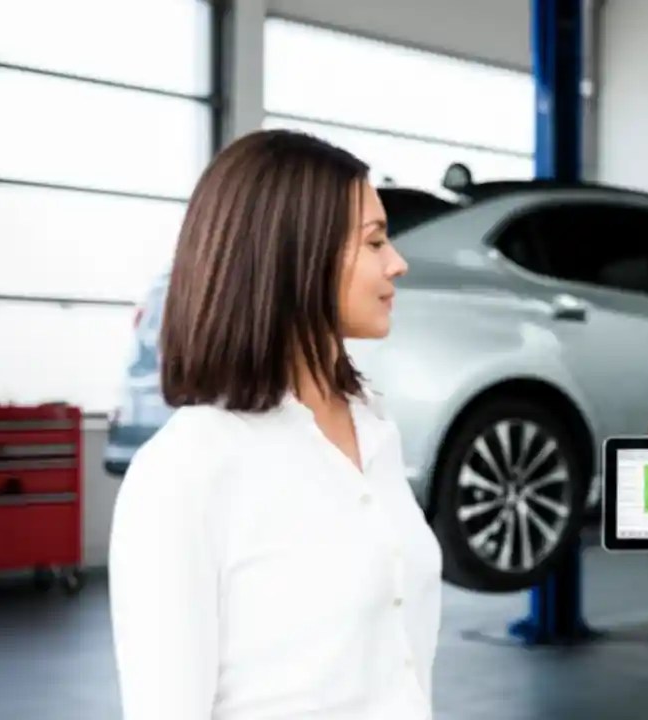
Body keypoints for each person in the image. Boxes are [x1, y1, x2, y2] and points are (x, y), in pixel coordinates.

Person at [107, 129, 441, 719]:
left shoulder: (373, 428)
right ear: (297, 255)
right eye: (375, 242)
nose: (397, 263)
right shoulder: (187, 469)